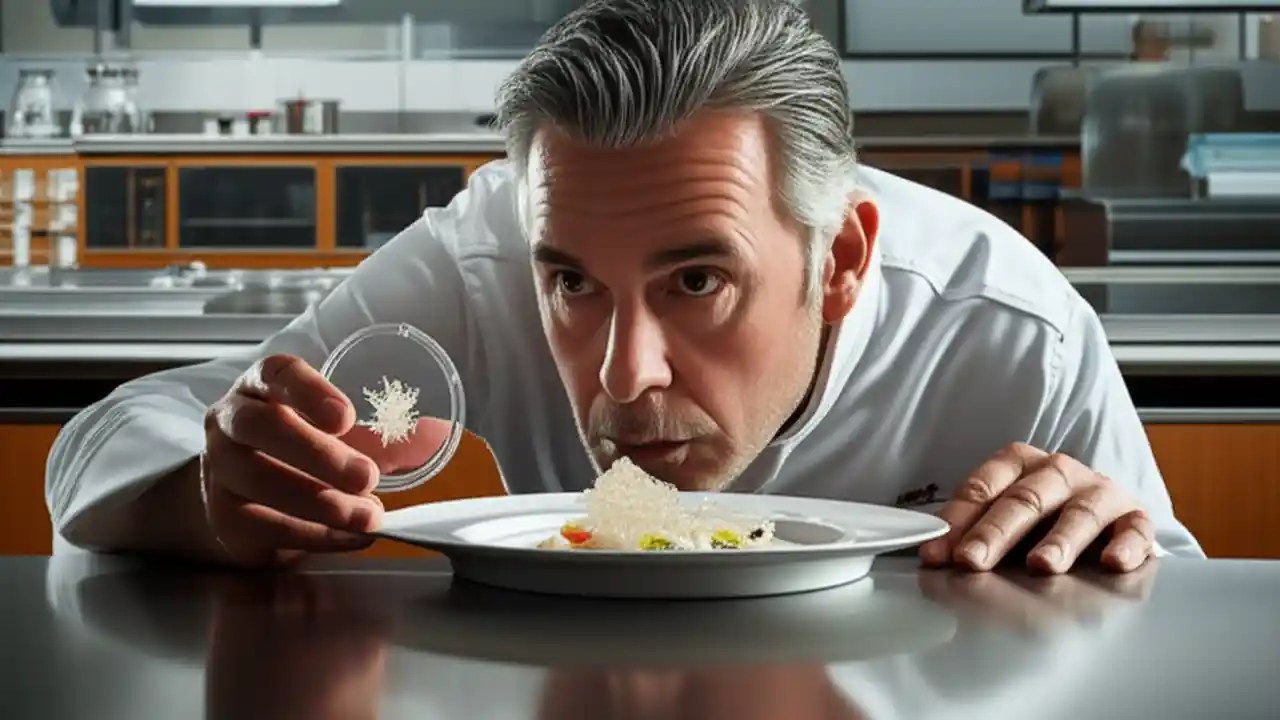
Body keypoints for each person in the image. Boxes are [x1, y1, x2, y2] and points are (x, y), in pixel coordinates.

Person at [45, 0, 1202, 571]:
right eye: (572, 284)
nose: (620, 376)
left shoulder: (1009, 330)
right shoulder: (478, 263)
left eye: (696, 278)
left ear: (841, 259)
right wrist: (214, 488)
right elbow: (104, 440)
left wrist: (1111, 545)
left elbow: (1164, 596)